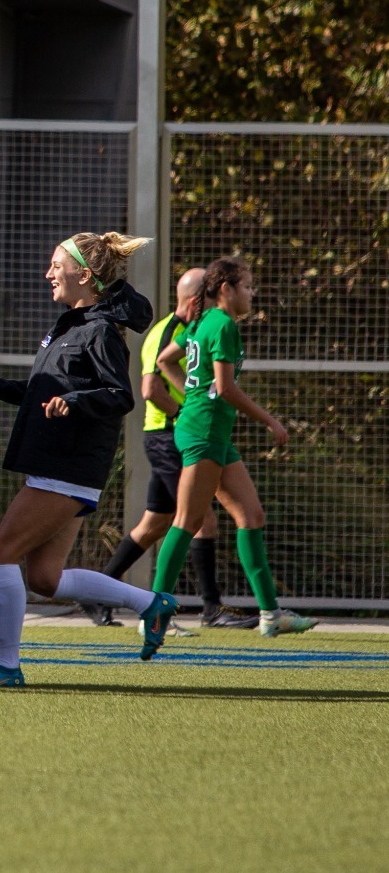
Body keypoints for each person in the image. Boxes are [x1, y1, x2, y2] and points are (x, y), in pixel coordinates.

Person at [0, 232, 178, 688]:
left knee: (0, 552)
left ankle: (5, 667)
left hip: (67, 468)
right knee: (44, 577)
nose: (47, 274)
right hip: (58, 466)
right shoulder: (71, 325)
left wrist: (76, 401)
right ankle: (151, 604)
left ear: (84, 274)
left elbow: (120, 396)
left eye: (55, 265)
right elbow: (47, 396)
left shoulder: (98, 331)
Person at [152, 257, 316, 638]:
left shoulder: (201, 322)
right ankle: (155, 611)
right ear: (226, 289)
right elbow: (225, 389)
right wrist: (270, 420)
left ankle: (270, 614)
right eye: (247, 286)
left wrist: (190, 394)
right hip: (204, 430)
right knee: (187, 521)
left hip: (213, 433)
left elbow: (166, 361)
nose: (252, 293)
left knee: (251, 515)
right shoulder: (222, 323)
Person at [81, 267, 239, 628]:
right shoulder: (169, 331)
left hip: (173, 435)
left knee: (153, 524)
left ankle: (96, 595)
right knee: (200, 519)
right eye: (211, 297)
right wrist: (188, 414)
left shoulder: (196, 330)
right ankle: (211, 609)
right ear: (198, 299)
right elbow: (151, 389)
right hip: (168, 436)